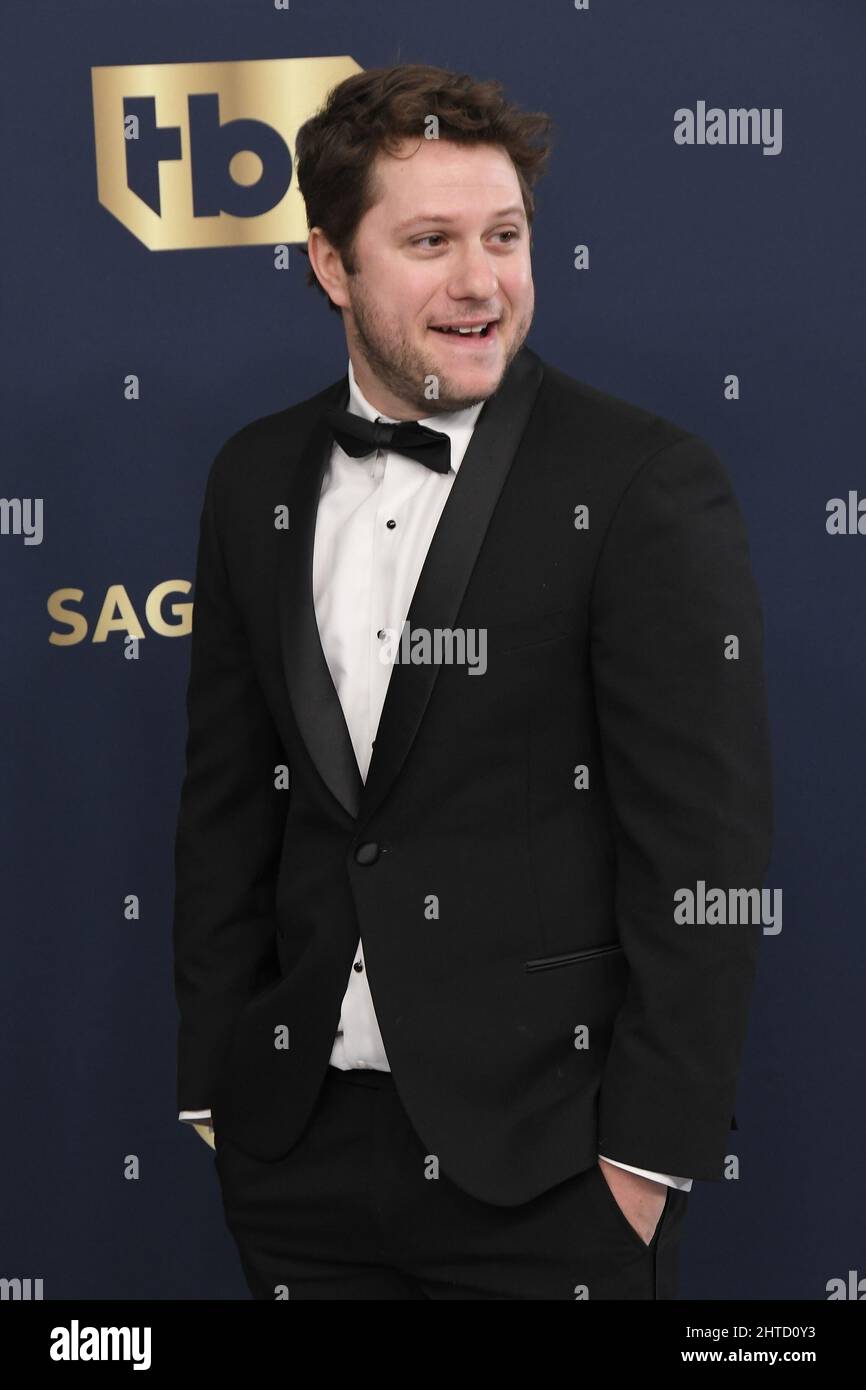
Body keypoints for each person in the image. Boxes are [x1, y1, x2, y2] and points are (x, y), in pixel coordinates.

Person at [172, 63, 773, 1300]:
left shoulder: (639, 482)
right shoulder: (252, 479)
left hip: (548, 1170)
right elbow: (227, 805)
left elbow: (701, 850)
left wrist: (644, 1161)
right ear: (331, 265)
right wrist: (213, 1084)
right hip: (298, 1163)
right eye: (429, 241)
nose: (481, 281)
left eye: (503, 236)